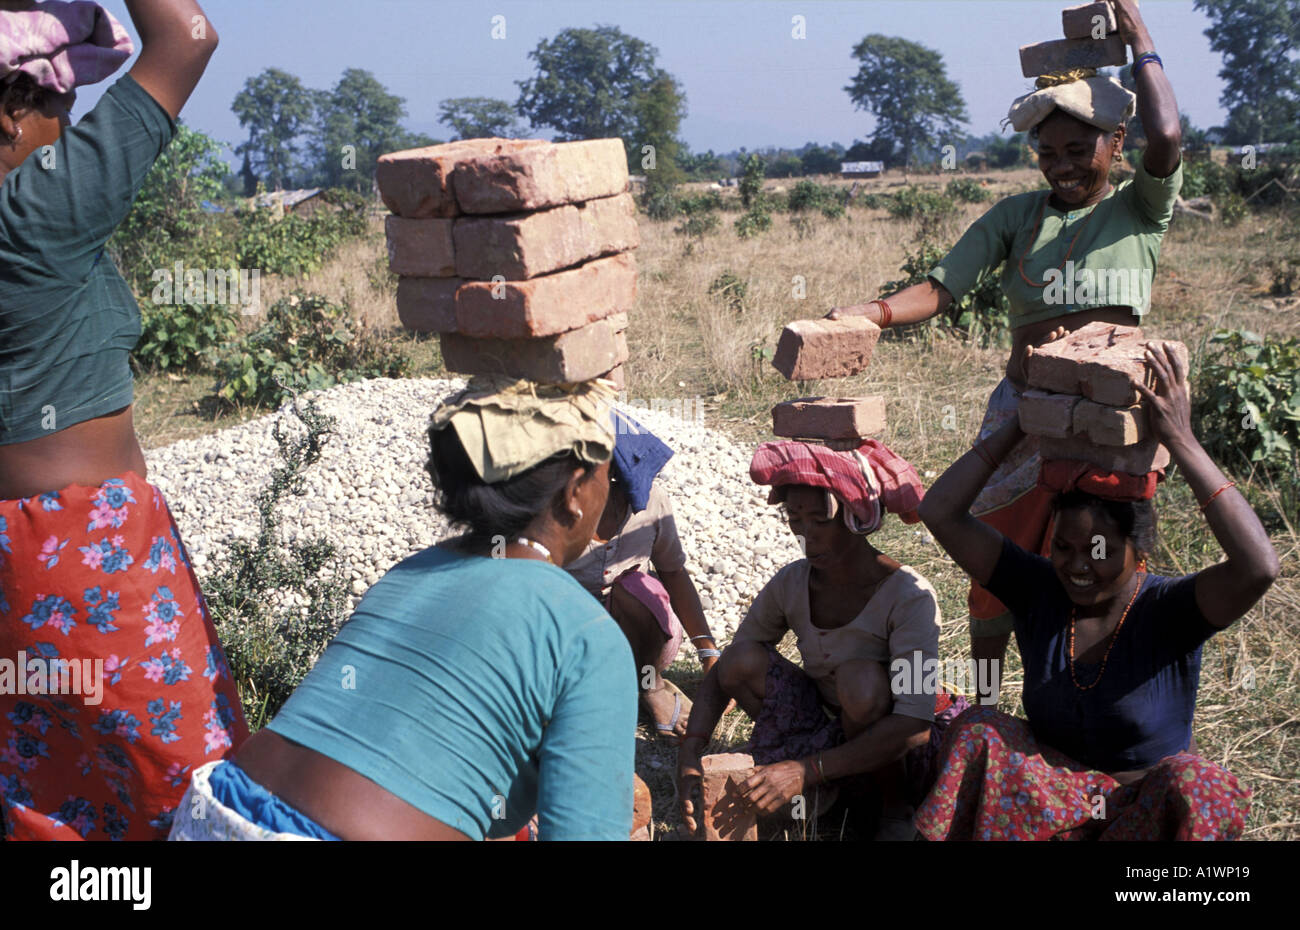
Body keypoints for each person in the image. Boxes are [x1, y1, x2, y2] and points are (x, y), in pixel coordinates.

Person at [830, 0, 1183, 698]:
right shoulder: (1015, 218)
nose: (1064, 167)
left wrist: (1140, 36)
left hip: (1117, 419)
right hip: (1026, 416)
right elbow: (940, 289)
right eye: (1048, 154)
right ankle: (986, 712)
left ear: (1116, 142)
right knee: (994, 565)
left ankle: (1090, 706)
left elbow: (1167, 132)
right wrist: (871, 314)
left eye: (1080, 150)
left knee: (1102, 566)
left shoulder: (1138, 210)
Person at [168, 378, 638, 841]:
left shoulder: (412, 572)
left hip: (215, 812)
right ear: (574, 492)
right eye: (606, 475)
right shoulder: (587, 632)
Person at [0, 0, 246, 841]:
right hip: (84, 557)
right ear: (9, 111)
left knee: (47, 797)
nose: (69, 128)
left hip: (11, 573)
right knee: (183, 789)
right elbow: (187, 34)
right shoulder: (33, 216)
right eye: (59, 107)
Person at [913, 343, 1277, 840]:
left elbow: (1259, 566)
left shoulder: (1169, 610)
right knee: (979, 730)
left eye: (1100, 549)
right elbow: (940, 512)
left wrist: (1183, 440)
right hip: (1048, 810)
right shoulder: (1038, 587)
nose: (1078, 566)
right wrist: (1024, 423)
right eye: (1064, 546)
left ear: (1138, 547)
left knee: (1201, 784)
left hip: (1135, 821)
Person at [677, 439, 967, 839]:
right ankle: (833, 790)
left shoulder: (909, 596)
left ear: (857, 517)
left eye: (821, 520)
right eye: (796, 519)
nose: (806, 536)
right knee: (744, 659)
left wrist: (805, 769)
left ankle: (892, 809)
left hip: (895, 751)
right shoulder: (793, 581)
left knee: (859, 681)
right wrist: (691, 750)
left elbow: (913, 726)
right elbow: (728, 667)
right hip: (825, 728)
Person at [565, 410, 720, 743]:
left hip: (641, 641)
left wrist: (708, 652)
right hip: (571, 641)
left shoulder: (650, 504)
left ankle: (651, 687)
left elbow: (674, 574)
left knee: (637, 587)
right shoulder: (552, 514)